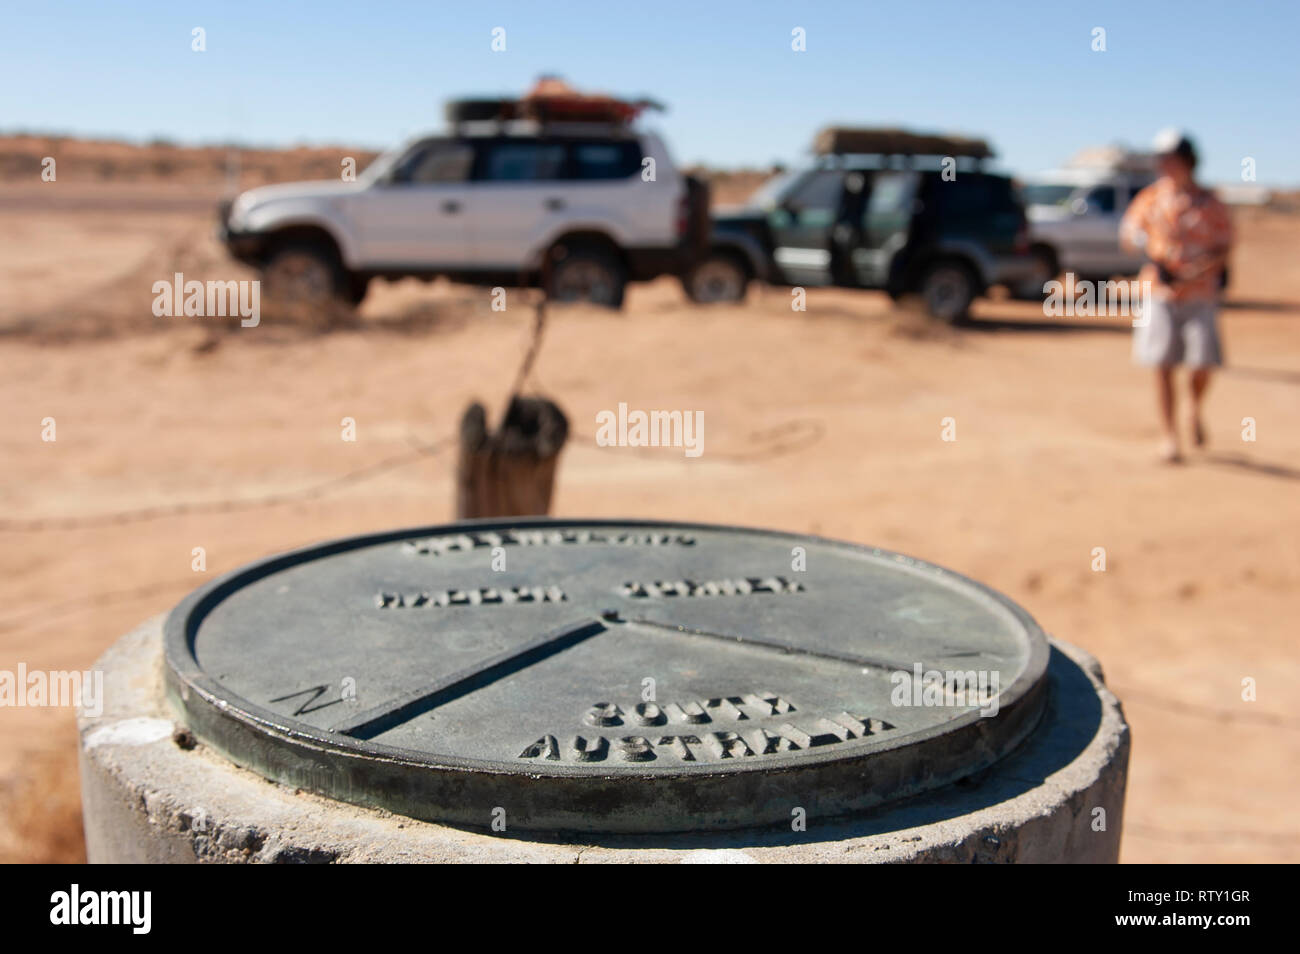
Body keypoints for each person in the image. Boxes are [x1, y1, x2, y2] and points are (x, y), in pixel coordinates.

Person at [1120, 129, 1234, 463]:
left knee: (1203, 363)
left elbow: (1225, 244)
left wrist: (1198, 269)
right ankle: (1170, 436)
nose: (1164, 165)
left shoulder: (1210, 202)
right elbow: (1130, 233)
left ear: (1187, 161)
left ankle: (1194, 409)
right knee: (1162, 363)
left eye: (1170, 159)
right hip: (1160, 292)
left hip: (1200, 294)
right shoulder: (1152, 198)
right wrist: (1156, 256)